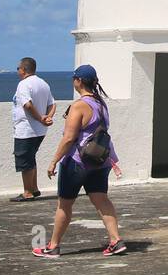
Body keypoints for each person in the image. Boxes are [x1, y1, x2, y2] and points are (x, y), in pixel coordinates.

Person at [32, 64, 126, 258]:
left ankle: (53, 246)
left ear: (79, 81)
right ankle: (116, 241)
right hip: (100, 161)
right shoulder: (100, 103)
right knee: (102, 200)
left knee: (64, 205)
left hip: (77, 162)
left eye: (74, 78)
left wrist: (53, 162)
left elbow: (69, 138)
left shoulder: (79, 105)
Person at [10, 58, 54, 202]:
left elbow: (27, 105)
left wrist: (41, 118)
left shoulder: (23, 84)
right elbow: (52, 104)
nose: (17, 71)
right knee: (30, 158)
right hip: (40, 130)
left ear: (23, 69)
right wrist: (47, 118)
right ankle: (34, 189)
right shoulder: (43, 83)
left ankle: (27, 192)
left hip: (26, 129)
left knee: (24, 160)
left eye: (18, 68)